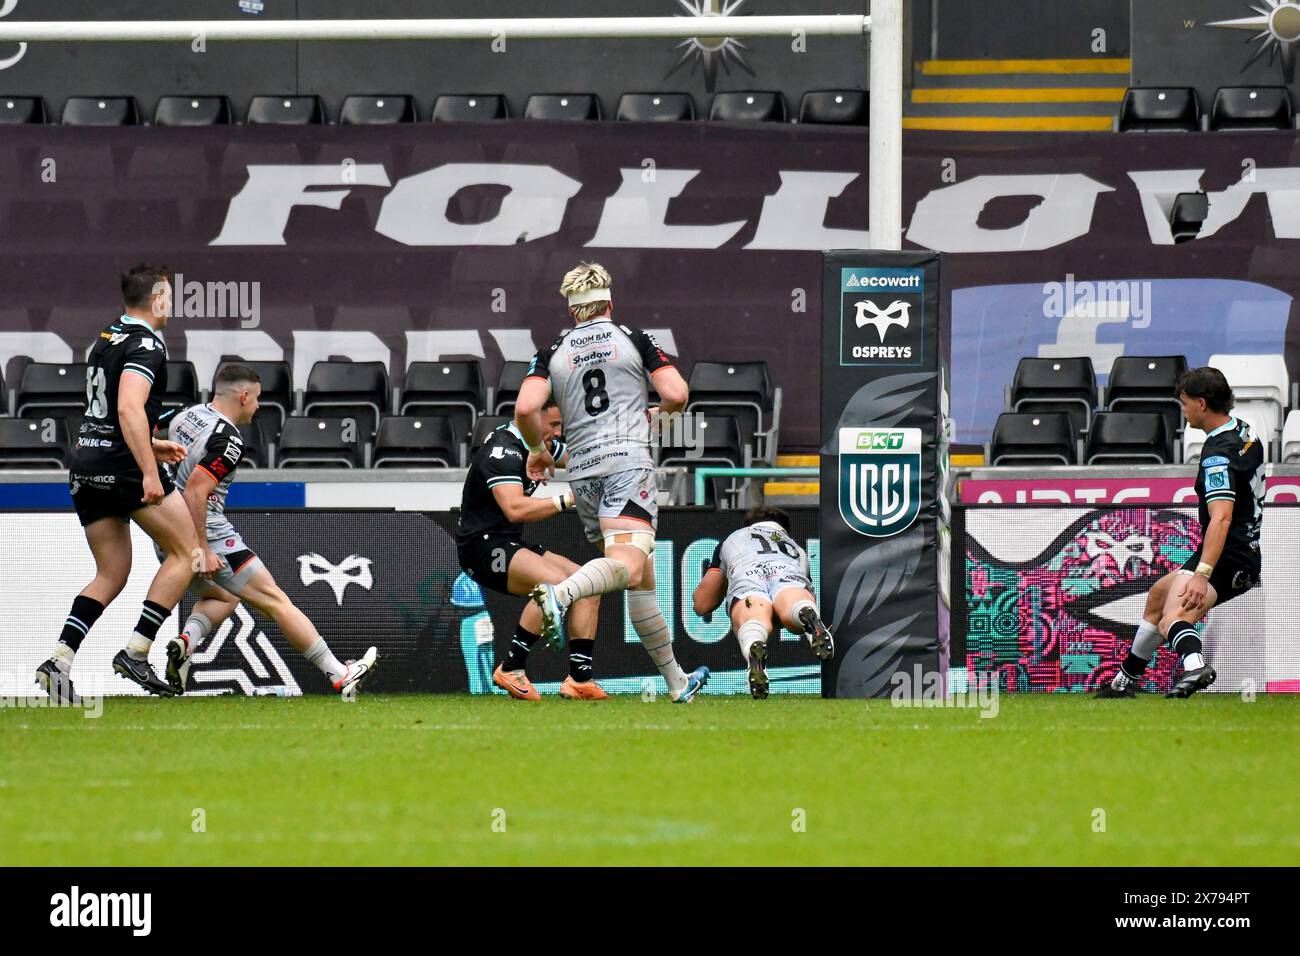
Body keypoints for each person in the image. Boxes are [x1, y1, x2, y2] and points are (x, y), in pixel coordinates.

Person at [516, 261, 709, 703]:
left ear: (572, 310)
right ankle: (559, 596)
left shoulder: (553, 350)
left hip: (582, 473)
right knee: (633, 565)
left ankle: (678, 683)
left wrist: (538, 450)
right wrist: (664, 417)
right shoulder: (632, 337)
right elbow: (677, 394)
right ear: (609, 302)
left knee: (641, 580)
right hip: (627, 463)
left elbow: (526, 410)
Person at [157, 363, 379, 700]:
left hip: (165, 531)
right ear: (244, 396)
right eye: (257, 398)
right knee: (275, 600)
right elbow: (196, 493)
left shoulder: (184, 414)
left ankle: (185, 642)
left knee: (222, 596)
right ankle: (339, 673)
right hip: (209, 534)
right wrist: (202, 548)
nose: (259, 406)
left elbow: (141, 434)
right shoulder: (228, 438)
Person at [36, 265, 195, 701]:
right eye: (170, 294)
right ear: (159, 297)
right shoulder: (147, 344)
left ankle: (59, 660)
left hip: (86, 461)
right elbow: (128, 409)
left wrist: (153, 446)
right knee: (188, 552)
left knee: (111, 572)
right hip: (123, 466)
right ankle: (137, 652)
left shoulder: (106, 337)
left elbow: (113, 414)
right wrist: (148, 469)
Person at [1097, 367, 1264, 699]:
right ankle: (1124, 682)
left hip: (1229, 555)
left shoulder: (1217, 457)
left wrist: (1202, 574)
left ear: (1201, 404)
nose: (1182, 409)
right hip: (1232, 547)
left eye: (1185, 403)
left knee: (1174, 617)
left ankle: (1195, 667)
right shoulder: (1244, 432)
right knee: (1160, 595)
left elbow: (1221, 519)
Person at [457, 399, 606, 700]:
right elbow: (514, 508)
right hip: (481, 547)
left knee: (590, 583)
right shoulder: (503, 451)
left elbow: (581, 459)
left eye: (560, 425)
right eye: (553, 425)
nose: (557, 432)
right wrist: (569, 499)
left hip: (508, 541)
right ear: (531, 419)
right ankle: (511, 668)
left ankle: (580, 679)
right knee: (555, 583)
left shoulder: (538, 444)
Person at [692, 506, 834, 699]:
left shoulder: (734, 538)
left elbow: (702, 603)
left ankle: (753, 645)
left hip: (748, 576)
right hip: (786, 572)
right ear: (784, 529)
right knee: (793, 604)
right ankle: (806, 614)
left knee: (753, 618)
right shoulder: (797, 549)